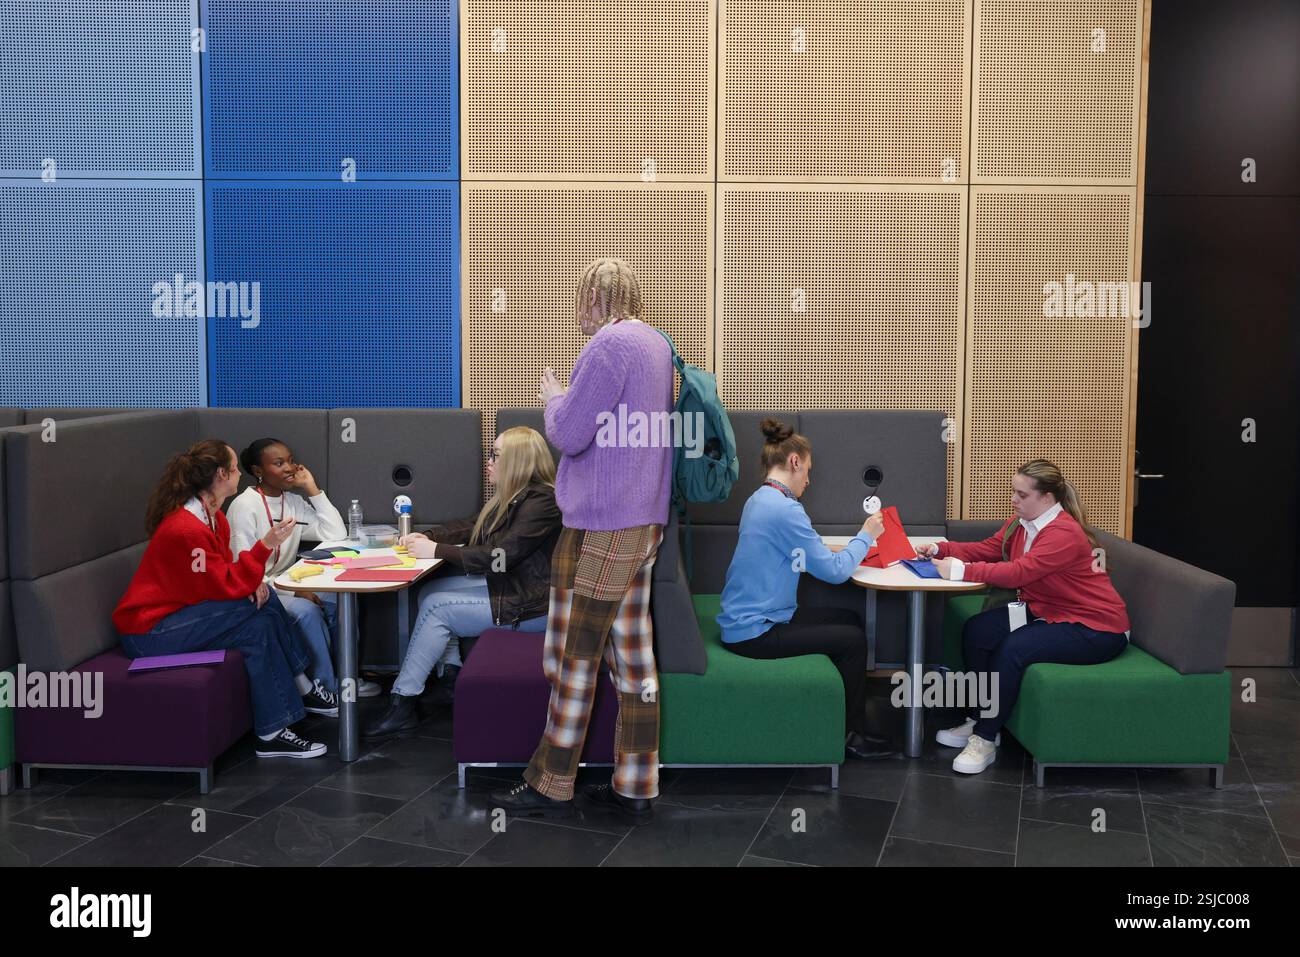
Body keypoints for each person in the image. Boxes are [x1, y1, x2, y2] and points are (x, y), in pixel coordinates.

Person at [490, 257, 673, 824]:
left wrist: (552, 395)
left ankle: (552, 782)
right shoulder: (657, 344)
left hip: (602, 525)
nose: (578, 313)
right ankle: (637, 784)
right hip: (645, 522)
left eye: (581, 300)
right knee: (634, 658)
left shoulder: (608, 346)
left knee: (574, 659)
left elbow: (569, 434)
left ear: (594, 298)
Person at [113, 439, 338, 759]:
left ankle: (271, 732)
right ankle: (302, 685)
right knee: (260, 599)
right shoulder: (186, 529)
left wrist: (250, 582)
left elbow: (221, 577)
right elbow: (220, 585)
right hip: (150, 633)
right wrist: (264, 548)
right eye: (234, 469)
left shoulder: (213, 518)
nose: (238, 475)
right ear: (221, 474)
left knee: (258, 628)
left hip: (185, 616)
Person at [919, 458, 1131, 774]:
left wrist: (959, 571)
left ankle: (986, 739)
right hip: (1048, 611)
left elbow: (1020, 572)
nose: (1013, 500)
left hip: (1096, 627)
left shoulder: (1063, 533)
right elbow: (988, 548)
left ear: (1047, 498)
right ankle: (981, 717)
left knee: (1014, 648)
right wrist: (942, 549)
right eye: (1013, 492)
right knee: (977, 631)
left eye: (1021, 494)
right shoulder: (1021, 523)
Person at [362, 426, 562, 737]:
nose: (489, 462)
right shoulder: (515, 496)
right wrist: (429, 537)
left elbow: (502, 556)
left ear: (519, 461)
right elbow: (472, 526)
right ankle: (451, 677)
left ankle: (403, 700)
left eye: (496, 455)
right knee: (429, 590)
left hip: (535, 608)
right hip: (516, 590)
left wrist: (437, 551)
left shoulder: (542, 501)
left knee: (438, 609)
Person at [717, 418, 895, 760]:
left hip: (754, 618)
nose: (809, 481)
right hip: (756, 632)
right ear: (794, 462)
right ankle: (850, 735)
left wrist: (826, 548)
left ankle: (836, 714)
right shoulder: (784, 509)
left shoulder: (760, 500)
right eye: (808, 470)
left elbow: (792, 551)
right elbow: (836, 573)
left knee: (847, 617)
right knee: (853, 640)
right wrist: (867, 535)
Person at [227, 438, 380, 699]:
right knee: (307, 611)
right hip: (258, 590)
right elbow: (243, 571)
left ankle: (347, 679)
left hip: (288, 583)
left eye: (290, 460)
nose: (289, 467)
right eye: (279, 463)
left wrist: (311, 488)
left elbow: (335, 532)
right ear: (258, 471)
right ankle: (325, 688)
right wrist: (293, 593)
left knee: (339, 599)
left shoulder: (291, 501)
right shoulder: (244, 506)